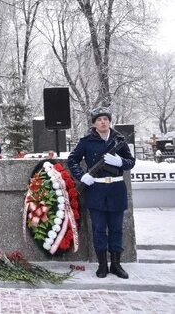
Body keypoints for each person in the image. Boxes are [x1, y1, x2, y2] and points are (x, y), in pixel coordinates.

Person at [67, 107, 135, 279]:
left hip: (116, 190)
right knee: (98, 229)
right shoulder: (86, 141)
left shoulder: (119, 140)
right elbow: (72, 160)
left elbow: (130, 162)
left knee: (116, 229)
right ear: (94, 123)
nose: (103, 122)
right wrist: (83, 176)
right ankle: (103, 265)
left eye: (106, 119)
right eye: (99, 119)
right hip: (96, 190)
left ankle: (116, 265)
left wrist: (120, 161)